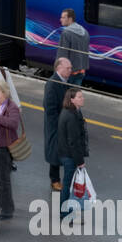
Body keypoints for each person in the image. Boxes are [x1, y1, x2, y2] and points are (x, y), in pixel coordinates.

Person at [0, 82, 21, 219]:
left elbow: (13, 124)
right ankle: (3, 203)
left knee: (4, 179)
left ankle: (7, 210)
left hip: (5, 146)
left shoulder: (11, 106)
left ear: (5, 93)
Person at [57, 88, 89, 212]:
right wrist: (80, 160)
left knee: (68, 184)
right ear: (72, 100)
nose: (82, 99)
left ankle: (65, 212)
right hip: (70, 156)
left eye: (82, 96)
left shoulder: (73, 111)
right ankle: (65, 214)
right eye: (79, 97)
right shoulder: (71, 116)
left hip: (66, 154)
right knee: (69, 185)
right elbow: (73, 141)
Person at [44, 57, 72, 192]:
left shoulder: (65, 81)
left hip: (64, 123)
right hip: (56, 125)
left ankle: (64, 178)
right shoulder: (52, 84)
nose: (71, 71)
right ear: (59, 68)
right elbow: (49, 108)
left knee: (62, 151)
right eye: (68, 68)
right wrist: (60, 124)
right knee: (55, 152)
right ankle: (54, 180)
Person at [56, 8, 90, 85]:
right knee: (74, 95)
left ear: (70, 19)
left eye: (63, 17)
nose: (60, 19)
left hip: (69, 73)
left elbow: (62, 54)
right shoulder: (85, 32)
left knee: (64, 95)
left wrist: (58, 71)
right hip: (81, 70)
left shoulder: (66, 33)